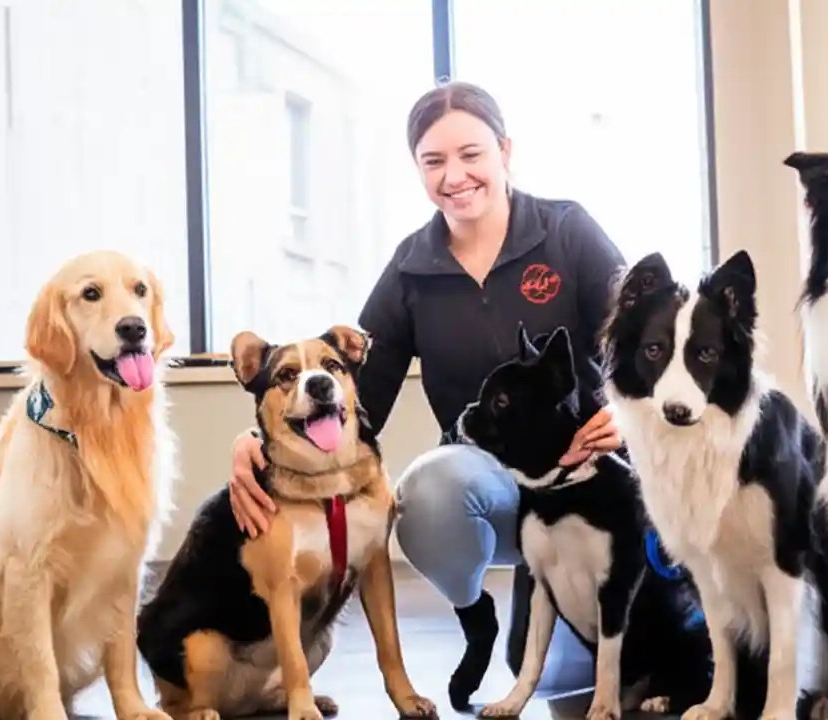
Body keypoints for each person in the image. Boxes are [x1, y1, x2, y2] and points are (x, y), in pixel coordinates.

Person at [226, 80, 627, 709]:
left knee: (547, 673)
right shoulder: (412, 267)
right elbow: (353, 401)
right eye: (433, 161)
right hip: (484, 478)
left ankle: (549, 585)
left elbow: (637, 341)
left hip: (583, 481)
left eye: (471, 154)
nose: (455, 176)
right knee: (429, 492)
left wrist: (628, 416)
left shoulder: (566, 230)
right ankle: (476, 616)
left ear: (505, 151)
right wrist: (254, 444)